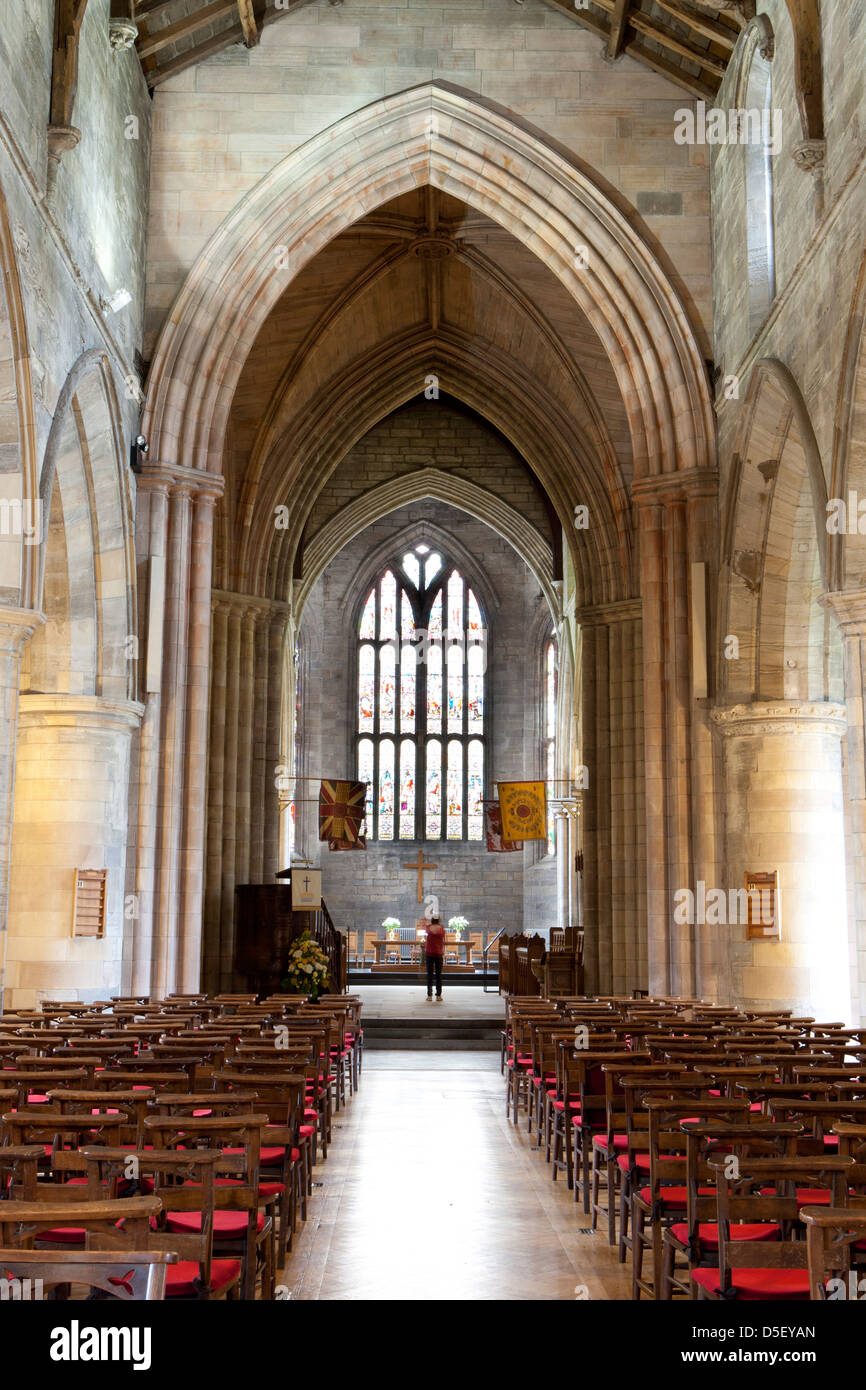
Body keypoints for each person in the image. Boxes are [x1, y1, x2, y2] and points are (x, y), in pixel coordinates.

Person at [418, 912, 445, 1001]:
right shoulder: (442, 928)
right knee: (438, 975)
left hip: (429, 953)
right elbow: (444, 938)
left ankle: (429, 995)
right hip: (438, 953)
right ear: (438, 920)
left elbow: (424, 927)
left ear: (432, 920)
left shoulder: (428, 928)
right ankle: (438, 995)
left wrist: (427, 920)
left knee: (429, 975)